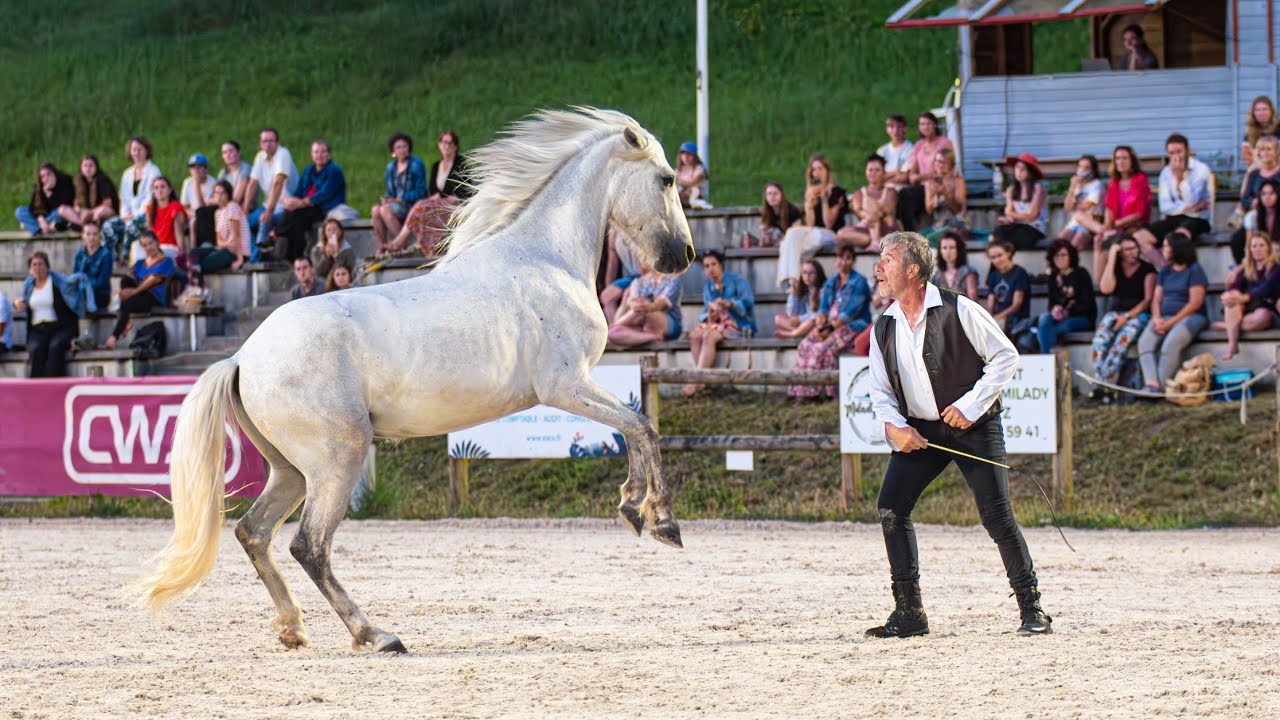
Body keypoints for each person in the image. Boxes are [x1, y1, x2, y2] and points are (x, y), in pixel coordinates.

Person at [864, 230, 1051, 638]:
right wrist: (894, 427)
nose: (879, 267)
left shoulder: (959, 307)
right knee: (891, 507)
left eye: (888, 259)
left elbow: (1006, 356)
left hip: (973, 425)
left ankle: (1032, 608)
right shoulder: (884, 328)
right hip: (923, 433)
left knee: (997, 516)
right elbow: (880, 390)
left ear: (913, 270)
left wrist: (970, 407)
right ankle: (910, 614)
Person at [788, 244, 871, 401]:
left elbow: (851, 312)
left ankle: (821, 393)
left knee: (823, 348)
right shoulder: (831, 282)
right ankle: (799, 389)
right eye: (840, 257)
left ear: (853, 261)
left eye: (847, 258)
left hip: (853, 327)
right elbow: (823, 307)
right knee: (805, 345)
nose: (843, 261)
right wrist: (821, 320)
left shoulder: (859, 282)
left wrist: (830, 327)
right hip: (830, 326)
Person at [1138, 230, 1209, 394]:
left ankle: (1163, 386)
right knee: (1145, 342)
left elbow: (1195, 303)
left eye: (1165, 246)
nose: (1163, 250)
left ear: (1176, 249)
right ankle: (1152, 384)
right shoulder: (1165, 271)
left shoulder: (1195, 270)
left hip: (1191, 317)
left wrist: (1171, 322)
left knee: (1171, 343)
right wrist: (1156, 318)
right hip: (1164, 317)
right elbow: (1156, 299)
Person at [1090, 234, 1156, 399]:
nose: (1132, 252)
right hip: (1116, 312)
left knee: (1121, 343)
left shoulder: (1147, 270)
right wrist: (1111, 257)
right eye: (1127, 250)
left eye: (1134, 248)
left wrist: (1126, 317)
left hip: (1138, 314)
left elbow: (1147, 300)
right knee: (1100, 341)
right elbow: (1105, 289)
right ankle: (1102, 381)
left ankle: (1104, 384)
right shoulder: (1116, 268)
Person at [681, 250, 756, 397]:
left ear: (721, 265)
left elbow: (747, 304)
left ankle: (696, 381)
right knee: (695, 335)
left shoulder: (737, 281)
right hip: (718, 325)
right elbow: (705, 313)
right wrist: (711, 314)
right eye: (707, 266)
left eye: (714, 264)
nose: (711, 269)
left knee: (708, 335)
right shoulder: (708, 287)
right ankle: (702, 382)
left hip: (739, 324)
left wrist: (729, 304)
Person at [1132, 133, 1213, 266]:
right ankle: (1166, 269)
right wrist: (1183, 207)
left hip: (1198, 219)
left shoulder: (1201, 170)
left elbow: (1193, 202)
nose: (1176, 156)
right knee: (1139, 237)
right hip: (1174, 218)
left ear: (1187, 151)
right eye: (1171, 153)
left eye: (1179, 151)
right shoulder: (1165, 172)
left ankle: (1187, 275)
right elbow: (1165, 206)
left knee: (1177, 239)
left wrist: (1179, 178)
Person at [387, 130, 470, 255]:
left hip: (455, 204)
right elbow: (433, 190)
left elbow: (466, 190)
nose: (446, 146)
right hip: (440, 203)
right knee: (422, 207)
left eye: (450, 143)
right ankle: (407, 244)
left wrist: (447, 197)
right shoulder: (437, 165)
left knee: (422, 207)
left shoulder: (461, 163)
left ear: (455, 146)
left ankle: (400, 242)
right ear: (439, 145)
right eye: (444, 143)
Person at [775, 154, 846, 289]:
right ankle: (793, 281)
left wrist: (824, 201)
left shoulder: (837, 192)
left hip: (831, 234)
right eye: (814, 170)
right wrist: (809, 207)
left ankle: (789, 280)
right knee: (790, 241)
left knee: (788, 241)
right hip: (815, 234)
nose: (816, 173)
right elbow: (811, 226)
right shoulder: (811, 192)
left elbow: (829, 223)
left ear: (827, 172)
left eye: (820, 169)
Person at [269, 140, 347, 261]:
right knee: (293, 214)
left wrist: (301, 203)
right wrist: (291, 201)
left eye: (323, 152)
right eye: (316, 152)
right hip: (306, 207)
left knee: (297, 216)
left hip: (324, 208)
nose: (319, 155)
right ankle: (292, 256)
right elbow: (299, 191)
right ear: (312, 155)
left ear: (329, 154)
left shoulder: (334, 171)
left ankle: (277, 235)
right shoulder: (308, 170)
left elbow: (324, 194)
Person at [13, 251, 86, 377]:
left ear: (47, 266)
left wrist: (75, 335)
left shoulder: (59, 284)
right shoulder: (28, 287)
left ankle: (54, 387)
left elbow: (71, 306)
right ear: (30, 269)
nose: (37, 268)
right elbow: (21, 302)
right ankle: (36, 388)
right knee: (37, 349)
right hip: (37, 330)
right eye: (34, 265)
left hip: (59, 328)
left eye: (41, 264)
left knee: (55, 348)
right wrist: (16, 303)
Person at [101, 231, 175, 350]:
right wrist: (122, 292)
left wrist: (133, 292)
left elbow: (153, 280)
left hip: (153, 296)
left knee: (127, 303)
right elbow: (129, 279)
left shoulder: (166, 261)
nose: (148, 247)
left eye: (150, 243)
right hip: (137, 295)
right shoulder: (140, 263)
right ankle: (124, 322)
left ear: (157, 242)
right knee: (125, 280)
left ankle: (114, 336)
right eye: (144, 245)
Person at [1219, 232, 1280, 361]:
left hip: (1267, 307)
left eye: (1261, 245)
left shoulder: (1275, 268)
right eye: (1254, 246)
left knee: (1260, 316)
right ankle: (1232, 345)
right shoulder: (1243, 269)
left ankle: (1228, 326)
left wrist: (1244, 297)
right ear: (1249, 249)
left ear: (1268, 247)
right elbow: (1234, 287)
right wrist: (1230, 294)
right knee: (1231, 303)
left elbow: (1266, 289)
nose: (1258, 249)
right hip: (1246, 309)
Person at [102, 136, 163, 262]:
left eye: (140, 149)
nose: (136, 153)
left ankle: (125, 255)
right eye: (134, 150)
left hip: (145, 215)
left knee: (131, 226)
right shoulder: (127, 173)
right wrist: (125, 214)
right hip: (128, 215)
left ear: (147, 151)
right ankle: (111, 258)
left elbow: (151, 197)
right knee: (108, 226)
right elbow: (123, 197)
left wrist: (135, 215)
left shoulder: (154, 171)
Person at [1099, 145, 1152, 275]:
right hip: (1118, 227)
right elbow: (1109, 208)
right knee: (1099, 239)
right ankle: (1100, 284)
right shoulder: (1113, 183)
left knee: (1115, 243)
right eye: (1117, 158)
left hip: (1136, 226)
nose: (1120, 162)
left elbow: (1138, 213)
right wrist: (1107, 227)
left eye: (1124, 158)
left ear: (1132, 161)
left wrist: (1116, 225)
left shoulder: (1140, 179)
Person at [371, 132, 428, 254]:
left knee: (384, 210)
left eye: (405, 146)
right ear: (393, 150)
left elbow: (422, 191)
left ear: (409, 148)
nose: (402, 150)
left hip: (412, 205)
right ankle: (383, 246)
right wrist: (387, 199)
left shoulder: (416, 164)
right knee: (375, 210)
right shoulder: (390, 167)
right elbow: (391, 193)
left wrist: (400, 199)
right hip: (396, 206)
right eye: (398, 147)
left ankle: (402, 246)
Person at [897, 111, 953, 232]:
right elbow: (912, 175)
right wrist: (923, 177)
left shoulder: (944, 142)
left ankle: (911, 234)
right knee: (904, 194)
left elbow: (945, 169)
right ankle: (910, 233)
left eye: (928, 123)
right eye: (922, 124)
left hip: (939, 184)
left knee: (907, 195)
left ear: (934, 125)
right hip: (922, 187)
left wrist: (921, 177)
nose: (925, 127)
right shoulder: (919, 145)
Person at [1036, 240, 1096, 352]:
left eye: (1063, 255)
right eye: (1056, 255)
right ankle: (1048, 358)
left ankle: (1047, 359)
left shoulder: (1081, 273)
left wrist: (1067, 312)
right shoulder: (1053, 277)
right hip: (1060, 318)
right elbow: (1051, 303)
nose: (1060, 258)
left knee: (1052, 329)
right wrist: (1054, 309)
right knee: (1044, 318)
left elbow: (1087, 304)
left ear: (1071, 256)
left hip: (1082, 318)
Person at [245, 127, 300, 250]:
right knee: (243, 224)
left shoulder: (283, 153)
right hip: (268, 204)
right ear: (260, 144)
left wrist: (268, 212)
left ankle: (258, 255)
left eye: (271, 141)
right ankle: (257, 255)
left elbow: (278, 183)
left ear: (277, 143)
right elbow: (252, 184)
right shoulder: (260, 156)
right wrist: (244, 209)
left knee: (263, 222)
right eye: (265, 141)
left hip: (286, 206)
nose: (268, 144)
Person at [606, 264, 682, 347]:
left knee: (641, 309)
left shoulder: (671, 280)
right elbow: (629, 310)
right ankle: (653, 337)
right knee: (612, 333)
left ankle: (616, 325)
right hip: (643, 326)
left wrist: (644, 305)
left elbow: (657, 306)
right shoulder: (638, 282)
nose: (641, 264)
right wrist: (625, 302)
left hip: (667, 325)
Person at [1232, 137, 1280, 263]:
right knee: (1236, 240)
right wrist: (1255, 202)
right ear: (1258, 153)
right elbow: (1245, 198)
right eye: (1262, 149)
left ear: (1276, 152)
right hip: (1258, 214)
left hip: (1278, 214)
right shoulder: (1254, 174)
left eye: (1269, 149)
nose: (1266, 153)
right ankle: (1245, 270)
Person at [839, 154, 899, 252]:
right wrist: (870, 216)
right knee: (841, 233)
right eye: (870, 170)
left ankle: (877, 241)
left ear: (884, 173)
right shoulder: (859, 193)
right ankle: (875, 241)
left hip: (886, 230)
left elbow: (885, 211)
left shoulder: (890, 192)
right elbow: (858, 212)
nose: (873, 173)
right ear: (866, 172)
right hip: (866, 231)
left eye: (877, 170)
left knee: (868, 201)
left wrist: (870, 211)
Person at [189, 181, 250, 274]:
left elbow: (236, 236)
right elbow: (219, 240)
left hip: (236, 253)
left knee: (205, 263)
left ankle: (197, 283)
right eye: (217, 193)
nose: (219, 196)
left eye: (223, 193)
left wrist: (239, 260)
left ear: (228, 194)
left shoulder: (232, 207)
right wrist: (224, 245)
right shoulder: (218, 213)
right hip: (224, 249)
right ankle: (196, 281)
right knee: (192, 253)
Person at [993, 152, 1047, 251]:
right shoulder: (1011, 189)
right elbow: (1009, 213)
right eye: (1017, 168)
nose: (1019, 172)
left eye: (1023, 169)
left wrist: (1011, 214)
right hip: (1018, 226)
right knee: (998, 232)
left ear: (1030, 172)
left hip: (1034, 229)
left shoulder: (1038, 189)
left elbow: (1032, 216)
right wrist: (1008, 219)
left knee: (1022, 235)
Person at [919, 148, 967, 245]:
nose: (939, 164)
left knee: (929, 240)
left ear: (951, 164)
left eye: (943, 162)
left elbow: (958, 209)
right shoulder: (930, 183)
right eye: (937, 161)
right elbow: (929, 209)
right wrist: (936, 196)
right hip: (938, 225)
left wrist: (945, 194)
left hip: (956, 224)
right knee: (915, 239)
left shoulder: (958, 181)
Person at [1057, 154, 1105, 251]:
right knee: (1059, 242)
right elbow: (1067, 208)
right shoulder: (1076, 186)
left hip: (1092, 221)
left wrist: (1074, 206)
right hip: (1076, 221)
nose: (1082, 170)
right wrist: (1072, 188)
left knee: (1076, 242)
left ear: (1093, 170)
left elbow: (1086, 206)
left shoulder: (1096, 185)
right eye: (1080, 166)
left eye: (1087, 167)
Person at [984, 239, 1031, 334]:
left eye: (1000, 255)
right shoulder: (993, 275)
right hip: (997, 318)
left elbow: (1016, 305)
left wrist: (997, 318)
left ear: (1008, 253)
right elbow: (990, 303)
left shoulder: (1019, 273)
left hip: (1015, 318)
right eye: (993, 257)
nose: (997, 260)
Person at [15, 163, 75, 236]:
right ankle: (42, 229)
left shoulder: (65, 181)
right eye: (43, 176)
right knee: (20, 211)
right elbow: (32, 207)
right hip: (44, 218)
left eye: (49, 174)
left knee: (60, 213)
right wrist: (40, 219)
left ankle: (33, 227)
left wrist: (50, 196)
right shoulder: (40, 187)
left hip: (56, 214)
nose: (46, 178)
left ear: (54, 173)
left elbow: (66, 203)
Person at [774, 259, 827, 339]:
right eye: (805, 273)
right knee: (778, 318)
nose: (807, 276)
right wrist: (794, 293)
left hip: (816, 324)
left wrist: (800, 319)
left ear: (818, 274)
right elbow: (792, 314)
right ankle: (801, 333)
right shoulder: (804, 291)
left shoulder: (823, 291)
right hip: (804, 325)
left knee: (811, 321)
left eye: (811, 273)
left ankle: (793, 333)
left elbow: (820, 315)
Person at [140, 177, 187, 263]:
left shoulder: (175, 208)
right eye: (156, 188)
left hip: (171, 248)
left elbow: (179, 235)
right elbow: (149, 234)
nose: (159, 190)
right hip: (154, 246)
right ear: (153, 192)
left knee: (156, 253)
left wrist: (182, 255)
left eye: (163, 187)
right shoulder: (150, 209)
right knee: (136, 247)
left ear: (169, 190)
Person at [600, 228, 642, 323]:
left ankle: (615, 330)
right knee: (608, 301)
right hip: (628, 278)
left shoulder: (642, 227)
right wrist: (609, 287)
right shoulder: (614, 232)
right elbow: (612, 264)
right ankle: (616, 329)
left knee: (607, 296)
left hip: (644, 277)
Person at [217, 140, 259, 234]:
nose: (228, 155)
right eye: (224, 152)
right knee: (204, 211)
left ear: (239, 153)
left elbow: (236, 198)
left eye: (231, 151)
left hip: (246, 209)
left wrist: (218, 200)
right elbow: (217, 196)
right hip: (227, 208)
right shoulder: (223, 173)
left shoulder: (246, 169)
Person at [744, 182, 802, 248]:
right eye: (769, 194)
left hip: (791, 245)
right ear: (765, 197)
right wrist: (764, 236)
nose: (772, 197)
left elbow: (797, 233)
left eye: (775, 193)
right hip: (775, 245)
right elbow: (764, 232)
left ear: (781, 195)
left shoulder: (792, 210)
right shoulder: (767, 211)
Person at [71, 221, 113, 312]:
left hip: (99, 295)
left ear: (99, 236)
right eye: (88, 234)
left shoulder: (106, 255)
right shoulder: (80, 254)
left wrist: (84, 286)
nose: (91, 238)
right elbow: (75, 275)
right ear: (83, 236)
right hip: (82, 291)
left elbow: (102, 282)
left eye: (95, 234)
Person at [70, 155, 119, 229]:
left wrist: (90, 212)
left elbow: (108, 203)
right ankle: (81, 224)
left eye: (91, 166)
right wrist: (80, 210)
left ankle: (87, 225)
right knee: (65, 210)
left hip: (106, 211)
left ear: (96, 167)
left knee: (100, 212)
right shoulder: (79, 181)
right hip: (88, 212)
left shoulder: (103, 180)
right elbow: (77, 204)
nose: (88, 169)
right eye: (85, 166)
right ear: (81, 168)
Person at [180, 153, 218, 249]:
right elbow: (184, 206)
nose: (196, 170)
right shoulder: (187, 182)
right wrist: (192, 213)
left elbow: (203, 208)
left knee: (194, 221)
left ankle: (194, 251)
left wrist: (196, 184)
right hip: (193, 213)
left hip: (208, 215)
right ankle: (182, 251)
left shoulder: (213, 183)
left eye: (199, 167)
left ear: (205, 169)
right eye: (193, 168)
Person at [929, 229, 978, 301]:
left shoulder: (968, 272)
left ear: (958, 249)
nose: (948, 252)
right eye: (944, 248)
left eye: (952, 247)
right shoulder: (937, 274)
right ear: (940, 251)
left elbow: (972, 301)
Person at [877, 114, 913, 192]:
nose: (895, 131)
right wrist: (896, 171)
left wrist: (885, 176)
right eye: (892, 127)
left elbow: (905, 177)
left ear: (905, 129)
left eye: (899, 127)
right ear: (887, 129)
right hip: (882, 190)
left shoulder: (910, 149)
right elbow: (876, 177)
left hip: (902, 190)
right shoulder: (882, 151)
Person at [1242, 96, 1280, 169]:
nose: (1261, 113)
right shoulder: (1249, 133)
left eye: (1264, 109)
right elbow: (1247, 158)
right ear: (1253, 113)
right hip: (1259, 171)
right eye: (1257, 110)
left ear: (1271, 111)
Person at [676, 141, 710, 209]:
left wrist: (678, 181)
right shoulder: (679, 170)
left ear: (695, 156)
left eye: (689, 154)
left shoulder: (699, 168)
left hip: (695, 196)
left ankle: (695, 204)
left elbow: (693, 183)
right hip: (681, 195)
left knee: (694, 190)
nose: (686, 157)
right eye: (683, 154)